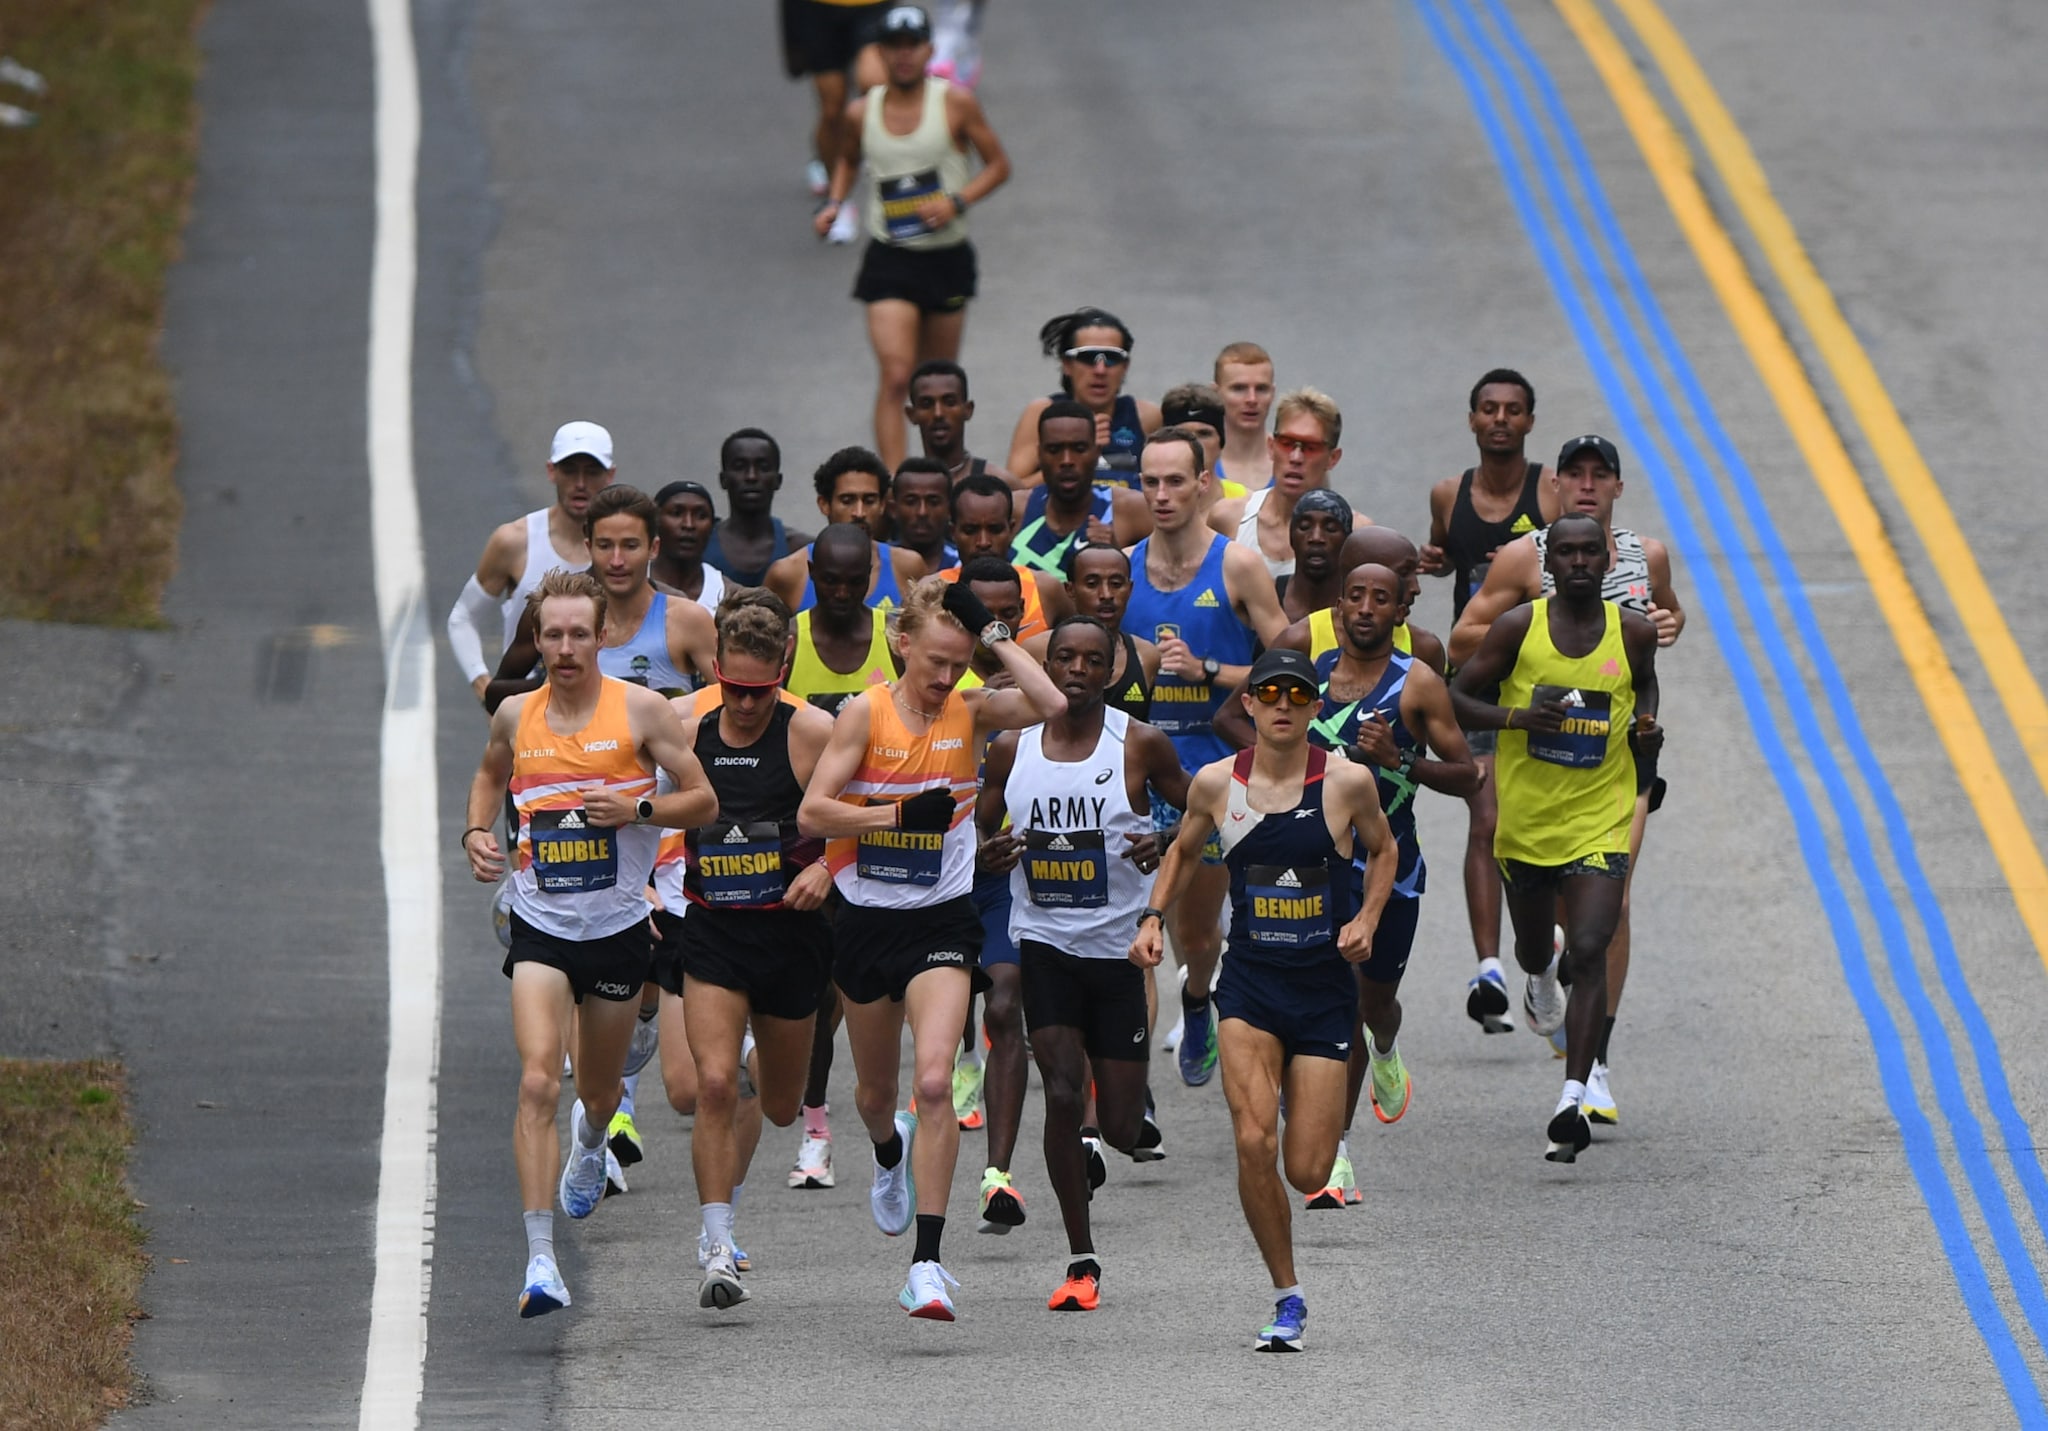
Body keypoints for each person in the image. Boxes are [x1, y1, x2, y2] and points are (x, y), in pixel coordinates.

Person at [798, 576, 1067, 1321]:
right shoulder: (864, 713)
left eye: (959, 661)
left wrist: (996, 636)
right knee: (879, 1096)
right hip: (865, 921)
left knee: (936, 1079)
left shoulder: (973, 708)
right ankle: (889, 1153)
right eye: (935, 662)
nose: (947, 676)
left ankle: (927, 1263)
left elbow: (1051, 704)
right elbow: (813, 809)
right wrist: (892, 814)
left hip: (941, 920)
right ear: (902, 643)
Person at [459, 569, 717, 1319]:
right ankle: (541, 1259)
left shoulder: (641, 709)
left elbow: (702, 798)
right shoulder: (515, 713)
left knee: (596, 1090)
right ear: (535, 638)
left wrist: (638, 804)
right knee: (540, 1078)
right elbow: (487, 776)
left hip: (617, 930)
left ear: (603, 634)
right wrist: (478, 831)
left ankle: (596, 1134)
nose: (566, 647)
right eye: (552, 634)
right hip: (539, 925)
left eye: (579, 632)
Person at [1130, 647, 1393, 1351]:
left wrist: (1366, 917)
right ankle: (1288, 1295)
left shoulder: (1347, 783)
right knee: (1253, 1139)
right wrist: (1153, 918)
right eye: (1267, 692)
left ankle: (1316, 1086)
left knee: (1308, 1169)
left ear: (1313, 707)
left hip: (1322, 989)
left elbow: (1385, 849)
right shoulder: (1218, 784)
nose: (1281, 703)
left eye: (1296, 694)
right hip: (1248, 983)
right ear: (1248, 703)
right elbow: (1185, 850)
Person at [1451, 434, 1683, 1117]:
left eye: (1599, 474)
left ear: (1617, 486)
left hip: (1615, 767)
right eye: (1573, 474)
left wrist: (1666, 623)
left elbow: (1662, 633)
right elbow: (1467, 640)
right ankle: (1540, 968)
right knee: (1541, 926)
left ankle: (1594, 1068)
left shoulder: (1649, 555)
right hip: (1536, 765)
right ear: (1554, 486)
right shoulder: (1525, 560)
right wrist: (1527, 660)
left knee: (1611, 911)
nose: (1586, 484)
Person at [979, 616, 1188, 1311]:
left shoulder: (1140, 743)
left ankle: (1104, 1141)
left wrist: (1164, 836)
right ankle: (1081, 1256)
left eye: (1091, 660)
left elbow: (1203, 813)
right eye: (1062, 656)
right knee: (1063, 1091)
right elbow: (979, 827)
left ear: (1110, 671)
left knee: (1124, 1128)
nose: (1075, 669)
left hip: (1117, 949)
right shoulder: (1013, 748)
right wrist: (988, 852)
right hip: (1045, 942)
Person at [670, 594, 839, 1309]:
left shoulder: (814, 732)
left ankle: (752, 1065)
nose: (743, 704)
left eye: (759, 691)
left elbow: (869, 806)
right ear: (715, 670)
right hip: (713, 929)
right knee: (710, 1086)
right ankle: (717, 1246)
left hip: (792, 938)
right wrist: (649, 886)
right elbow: (635, 799)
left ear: (782, 674)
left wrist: (829, 866)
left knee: (774, 1105)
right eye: (732, 688)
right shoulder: (683, 725)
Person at [1298, 563, 1476, 1208]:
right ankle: (1335, 1152)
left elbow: (1468, 776)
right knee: (1333, 1006)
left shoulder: (1417, 685)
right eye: (1356, 597)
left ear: (1402, 610)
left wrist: (1402, 761)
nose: (1367, 608)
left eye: (1382, 599)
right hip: (1311, 869)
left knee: (1370, 1006)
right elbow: (1248, 726)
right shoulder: (1306, 676)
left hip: (1388, 868)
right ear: (1338, 608)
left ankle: (1387, 1040)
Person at [1123, 428, 1289, 1087]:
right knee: (1129, 940)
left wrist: (1208, 669)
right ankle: (1133, 1091)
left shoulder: (1237, 566)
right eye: (1150, 481)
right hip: (1137, 780)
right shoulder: (1122, 570)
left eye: (1174, 481)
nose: (1161, 495)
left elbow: (1286, 667)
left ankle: (1198, 1001)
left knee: (1196, 938)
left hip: (1211, 780)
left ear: (1202, 485)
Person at [816, 5, 1011, 471]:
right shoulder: (863, 111)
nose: (904, 56)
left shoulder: (955, 103)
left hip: (947, 258)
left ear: (928, 49)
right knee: (897, 375)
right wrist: (834, 203)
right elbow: (847, 158)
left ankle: (937, 477)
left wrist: (956, 202)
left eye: (913, 46)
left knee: (936, 387)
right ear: (881, 53)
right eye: (894, 47)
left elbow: (999, 165)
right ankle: (897, 482)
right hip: (891, 259)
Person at [483, 486, 719, 712]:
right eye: (605, 546)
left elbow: (731, 702)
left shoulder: (687, 619)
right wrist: (562, 686)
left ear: (653, 548)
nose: (617, 560)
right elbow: (495, 695)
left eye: (630, 546)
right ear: (589, 547)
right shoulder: (556, 614)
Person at [447, 420, 615, 705]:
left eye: (592, 472)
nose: (580, 484)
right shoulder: (514, 541)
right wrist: (483, 685)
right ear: (551, 471)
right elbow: (462, 617)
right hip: (529, 711)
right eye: (570, 471)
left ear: (610, 475)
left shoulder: (626, 551)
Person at [1208, 388, 1364, 579]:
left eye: (1310, 447)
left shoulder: (1357, 533)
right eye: (1287, 443)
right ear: (1271, 447)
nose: (1296, 457)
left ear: (1333, 458)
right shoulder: (1227, 517)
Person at [1006, 307, 1163, 486]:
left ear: (1125, 366)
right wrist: (1080, 448)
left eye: (1112, 358)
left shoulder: (1146, 417)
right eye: (1088, 357)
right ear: (1067, 364)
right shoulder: (1041, 413)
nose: (1100, 370)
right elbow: (1013, 493)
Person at [766, 446, 928, 612]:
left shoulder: (908, 567)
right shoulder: (788, 574)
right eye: (847, 500)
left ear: (882, 505)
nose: (859, 513)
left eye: (869, 500)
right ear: (824, 504)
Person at [1010, 399, 1153, 575]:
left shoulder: (1132, 510)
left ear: (1096, 452)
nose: (1067, 461)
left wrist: (1120, 559)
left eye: (1079, 448)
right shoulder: (1013, 511)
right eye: (1054, 450)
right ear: (1039, 454)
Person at [781, 0, 890, 199]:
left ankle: (864, 150)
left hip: (872, 5)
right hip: (817, 9)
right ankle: (837, 197)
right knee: (832, 109)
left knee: (875, 84)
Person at [945, 469, 1069, 636]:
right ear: (953, 532)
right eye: (970, 530)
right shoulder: (930, 593)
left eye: (995, 530)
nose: (983, 542)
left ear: (1011, 530)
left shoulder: (1046, 589)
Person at [704, 429, 811, 588]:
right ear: (723, 479)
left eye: (763, 467)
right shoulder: (699, 547)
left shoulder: (801, 550)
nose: (751, 476)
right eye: (740, 467)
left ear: (778, 480)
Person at [905, 358, 1012, 486]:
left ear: (968, 410)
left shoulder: (1001, 484)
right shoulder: (900, 491)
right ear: (911, 414)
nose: (938, 413)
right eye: (927, 404)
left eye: (950, 402)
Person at [1273, 490, 1355, 622]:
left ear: (1347, 540)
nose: (1316, 538)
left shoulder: (1360, 610)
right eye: (1305, 527)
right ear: (1291, 536)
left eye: (1330, 529)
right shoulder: (1267, 597)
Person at [1161, 382, 1247, 504]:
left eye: (1204, 434)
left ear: (1221, 442)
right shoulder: (1143, 508)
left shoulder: (1246, 504)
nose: (1195, 443)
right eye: (1183, 434)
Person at [650, 481, 726, 609]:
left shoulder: (727, 594)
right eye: (676, 513)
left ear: (712, 525)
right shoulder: (631, 583)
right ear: (655, 522)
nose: (688, 524)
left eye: (701, 515)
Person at [1213, 342, 1276, 494]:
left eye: (1261, 389)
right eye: (1239, 388)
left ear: (1273, 393)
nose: (1252, 399)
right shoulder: (1197, 461)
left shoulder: (1294, 461)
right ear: (1215, 393)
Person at [890, 457, 959, 572]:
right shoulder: (874, 564)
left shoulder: (962, 565)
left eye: (933, 502)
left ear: (949, 509)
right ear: (893, 509)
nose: (922, 512)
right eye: (911, 502)